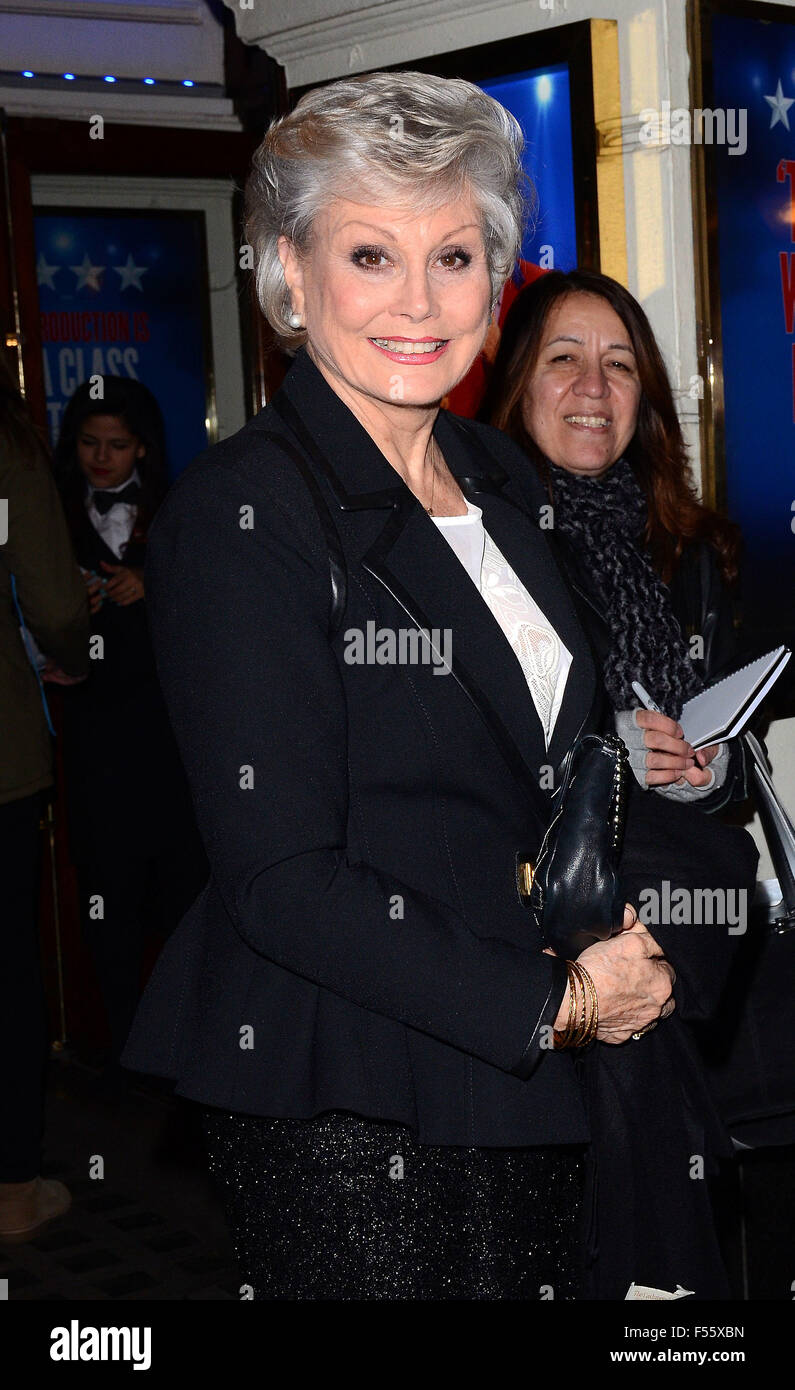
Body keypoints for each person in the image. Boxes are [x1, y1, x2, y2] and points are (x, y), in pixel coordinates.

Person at [121, 71, 757, 1299]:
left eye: (455, 256)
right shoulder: (244, 514)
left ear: (494, 279)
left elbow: (555, 779)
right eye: (370, 253)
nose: (418, 301)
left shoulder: (501, 479)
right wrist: (559, 1001)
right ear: (291, 277)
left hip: (531, 1074)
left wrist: (653, 943)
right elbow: (283, 879)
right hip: (360, 1099)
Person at [481, 269, 746, 813]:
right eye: (564, 358)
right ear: (517, 379)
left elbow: (743, 749)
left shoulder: (691, 550)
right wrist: (605, 754)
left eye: (619, 364)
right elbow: (460, 750)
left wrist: (715, 769)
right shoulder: (479, 543)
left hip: (693, 881)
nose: (594, 386)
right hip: (550, 886)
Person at [53, 377, 207, 1092]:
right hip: (90, 742)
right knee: (105, 897)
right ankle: (118, 1052)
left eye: (117, 445)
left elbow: (220, 610)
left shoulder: (181, 507)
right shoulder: (48, 511)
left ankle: (185, 1054)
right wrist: (58, 615)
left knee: (179, 897)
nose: (102, 458)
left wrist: (155, 585)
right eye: (89, 444)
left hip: (170, 742)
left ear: (143, 447)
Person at [0, 351, 88, 1241]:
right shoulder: (10, 447)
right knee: (5, 973)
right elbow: (56, 599)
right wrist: (66, 643)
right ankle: (11, 1190)